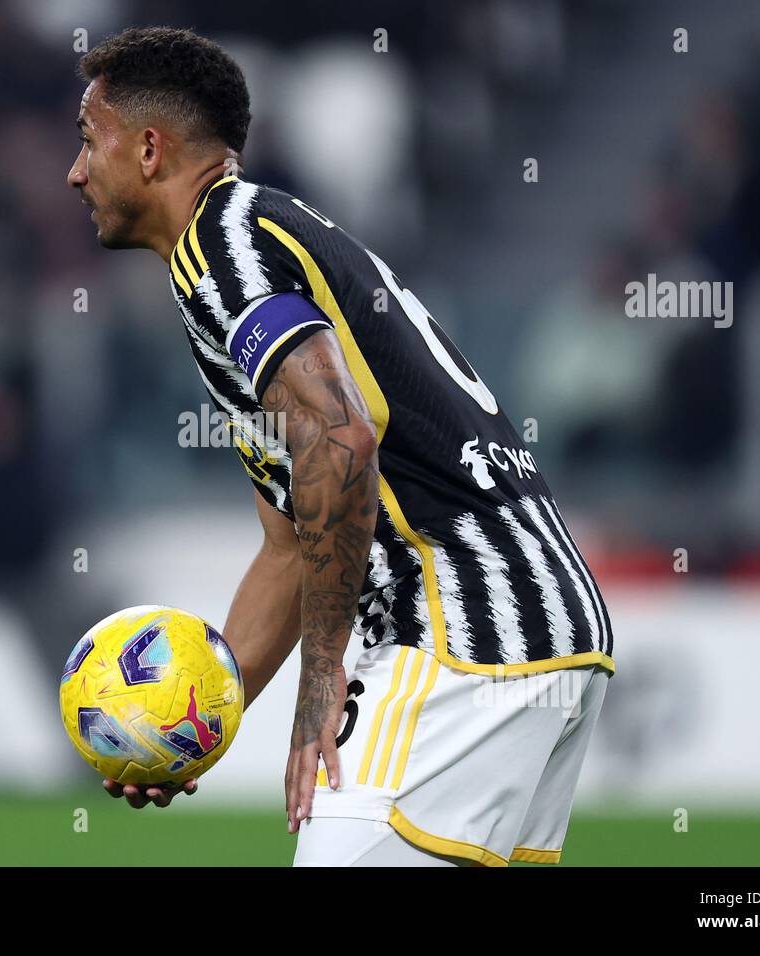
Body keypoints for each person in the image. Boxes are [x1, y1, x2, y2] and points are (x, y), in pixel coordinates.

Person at [66, 27, 614, 867]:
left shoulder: (225, 247)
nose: (75, 172)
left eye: (87, 139)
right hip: (540, 625)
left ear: (148, 149)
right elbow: (291, 545)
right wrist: (196, 719)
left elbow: (341, 442)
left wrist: (322, 682)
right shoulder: (259, 237)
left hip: (456, 632)